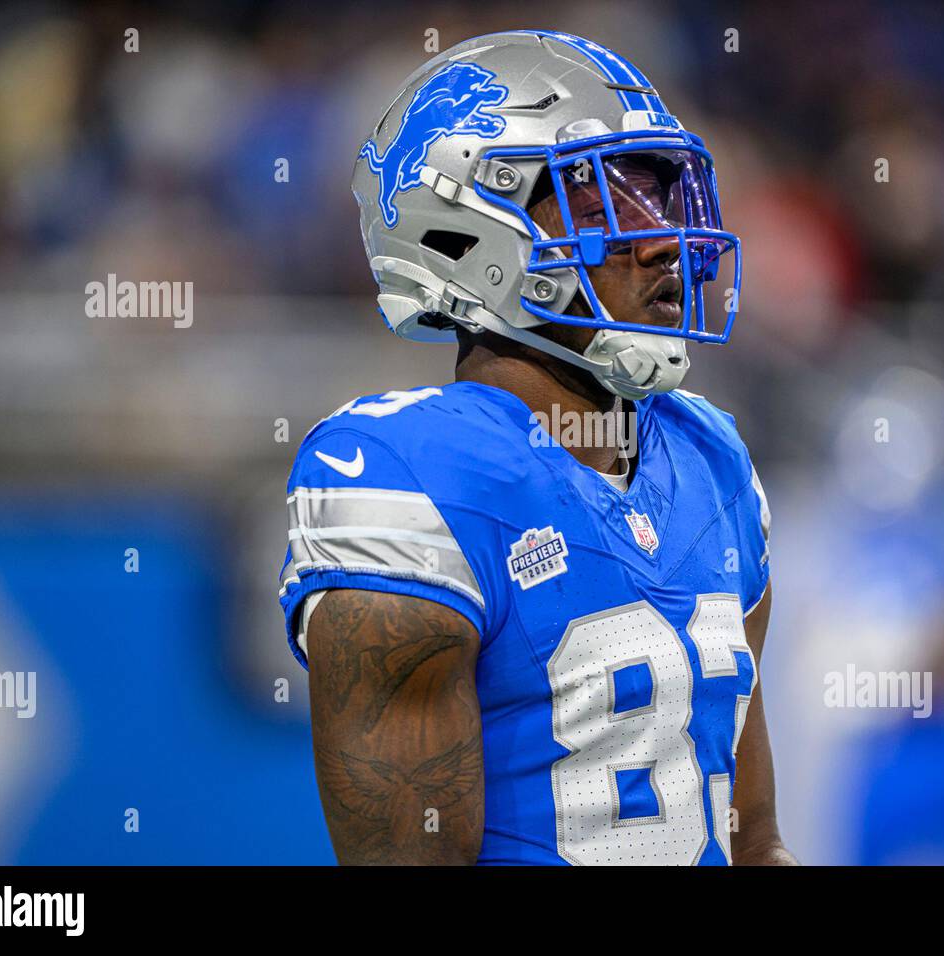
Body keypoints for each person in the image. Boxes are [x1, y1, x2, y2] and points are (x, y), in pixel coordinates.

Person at [278, 30, 794, 865]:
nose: (661, 238)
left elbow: (754, 840)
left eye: (661, 198)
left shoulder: (711, 455)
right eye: (602, 205)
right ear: (468, 234)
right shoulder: (414, 478)